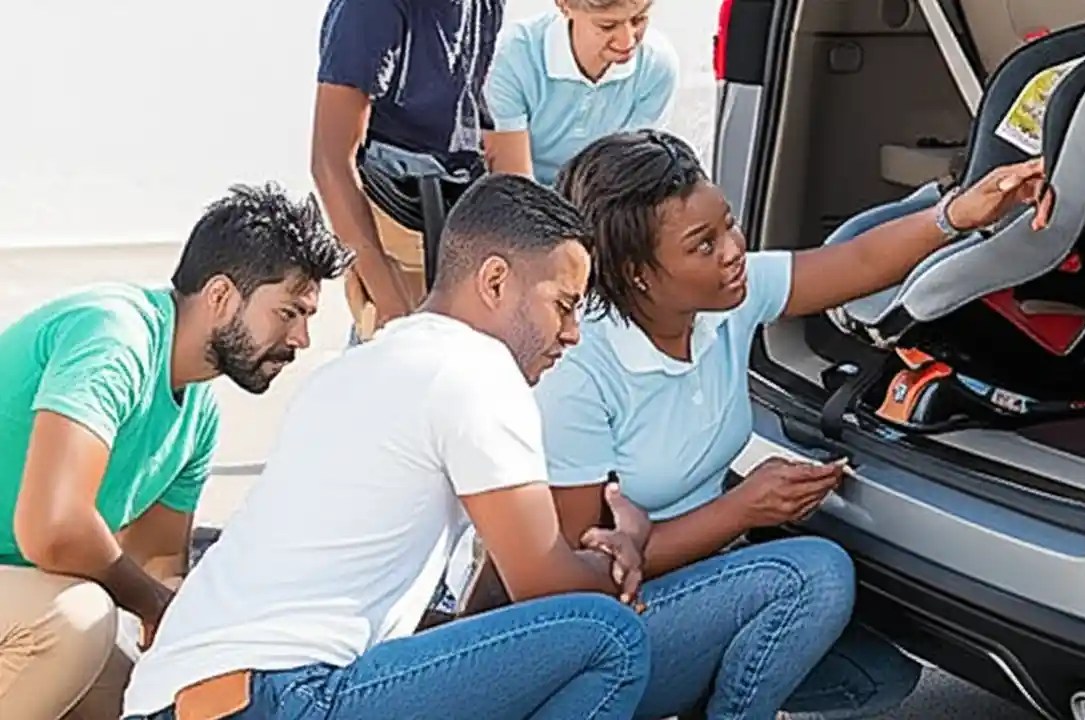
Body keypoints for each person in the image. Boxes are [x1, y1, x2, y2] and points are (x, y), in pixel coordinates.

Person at [536, 130, 1053, 719]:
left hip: (695, 577)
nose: (733, 250)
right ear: (637, 274)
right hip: (606, 630)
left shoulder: (722, 301)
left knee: (874, 676)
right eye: (703, 245)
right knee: (816, 575)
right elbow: (574, 580)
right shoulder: (580, 371)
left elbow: (855, 262)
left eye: (728, 224)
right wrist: (743, 510)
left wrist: (961, 213)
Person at [122, 174, 653, 720]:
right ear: (495, 281)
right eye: (563, 305)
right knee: (608, 636)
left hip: (173, 698)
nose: (572, 333)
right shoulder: (476, 367)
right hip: (280, 693)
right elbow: (544, 584)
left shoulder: (350, 369)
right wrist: (624, 553)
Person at [0, 184, 353, 720]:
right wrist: (154, 603)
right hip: (39, 612)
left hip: (18, 600)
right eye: (288, 312)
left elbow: (156, 572)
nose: (302, 338)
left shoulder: (199, 415)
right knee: (75, 624)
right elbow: (54, 527)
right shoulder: (116, 336)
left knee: (141, 699)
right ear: (219, 296)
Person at [311, 0, 506, 344]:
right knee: (389, 374)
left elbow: (477, 118)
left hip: (463, 216)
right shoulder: (369, 9)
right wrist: (389, 300)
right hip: (396, 217)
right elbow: (330, 161)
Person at [483, 0, 678, 186]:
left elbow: (630, 174)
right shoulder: (512, 56)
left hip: (600, 199)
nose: (627, 40)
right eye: (607, 26)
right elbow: (512, 182)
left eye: (639, 19)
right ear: (565, 5)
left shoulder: (657, 65)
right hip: (524, 200)